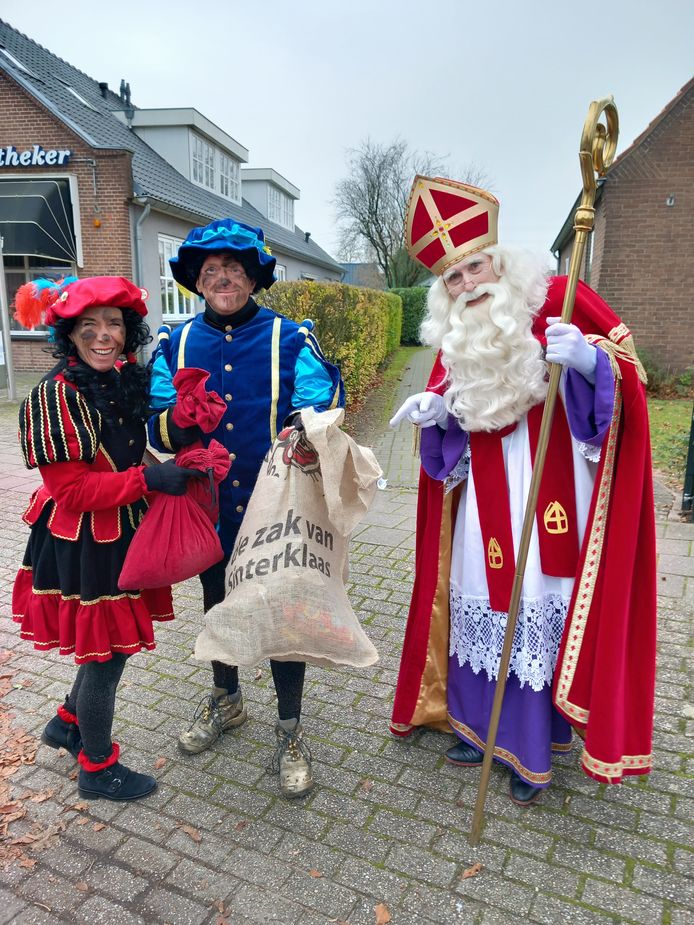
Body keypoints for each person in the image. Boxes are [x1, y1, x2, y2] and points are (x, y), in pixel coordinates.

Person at [389, 176, 656, 805]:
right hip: (484, 503)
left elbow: (630, 384)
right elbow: (449, 443)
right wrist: (439, 415)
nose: (468, 284)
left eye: (475, 265)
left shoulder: (559, 301)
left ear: (498, 260)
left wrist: (594, 367)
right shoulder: (457, 338)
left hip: (553, 495)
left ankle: (534, 745)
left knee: (536, 604)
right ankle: (477, 727)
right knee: (483, 601)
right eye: (452, 278)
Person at [148, 218, 344, 798]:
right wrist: (182, 419)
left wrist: (300, 427)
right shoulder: (176, 342)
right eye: (211, 272)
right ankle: (227, 700)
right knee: (218, 607)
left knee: (285, 615)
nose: (223, 279)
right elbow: (157, 421)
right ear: (197, 282)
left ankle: (289, 728)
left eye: (234, 269)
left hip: (275, 507)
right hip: (210, 509)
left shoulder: (289, 338)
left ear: (254, 276)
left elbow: (319, 402)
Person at [12, 276, 201, 801]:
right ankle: (97, 768)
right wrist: (149, 480)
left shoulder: (120, 377)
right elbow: (71, 491)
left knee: (105, 647)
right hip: (84, 537)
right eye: (89, 325)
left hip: (120, 526)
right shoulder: (53, 397)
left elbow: (133, 440)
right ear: (69, 333)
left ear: (128, 329)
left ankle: (68, 724)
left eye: (114, 324)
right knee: (106, 655)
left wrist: (182, 431)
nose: (103, 336)